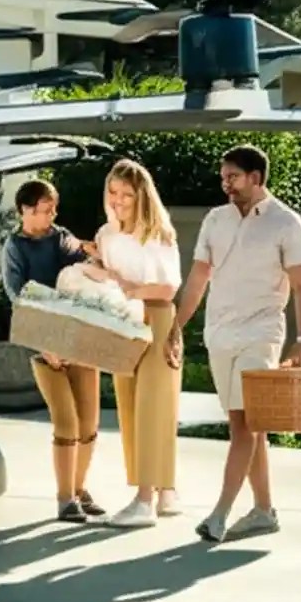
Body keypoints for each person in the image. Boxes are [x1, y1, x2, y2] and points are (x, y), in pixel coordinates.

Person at [165, 144, 301, 543]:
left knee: (247, 423)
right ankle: (264, 510)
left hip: (262, 332)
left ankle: (219, 514)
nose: (225, 183)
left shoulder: (286, 222)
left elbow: (300, 285)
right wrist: (177, 325)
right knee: (246, 425)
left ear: (256, 178)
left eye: (232, 176)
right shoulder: (216, 220)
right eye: (223, 177)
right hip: (220, 333)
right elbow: (198, 278)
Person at [81, 158, 183, 528]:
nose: (119, 199)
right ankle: (163, 491)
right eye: (113, 191)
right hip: (123, 320)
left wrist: (128, 287)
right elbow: (111, 278)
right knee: (130, 407)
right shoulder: (106, 235)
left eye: (127, 193)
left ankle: (145, 502)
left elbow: (169, 287)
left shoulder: (157, 233)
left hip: (156, 318)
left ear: (142, 196)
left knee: (154, 408)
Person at [1, 178, 104, 523]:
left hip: (78, 336)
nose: (49, 216)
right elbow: (18, 295)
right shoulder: (15, 247)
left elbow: (79, 251)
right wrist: (45, 344)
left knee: (89, 422)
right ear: (24, 211)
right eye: (42, 210)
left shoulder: (59, 236)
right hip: (43, 340)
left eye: (51, 209)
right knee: (66, 422)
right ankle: (64, 498)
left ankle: (79, 489)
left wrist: (97, 250)